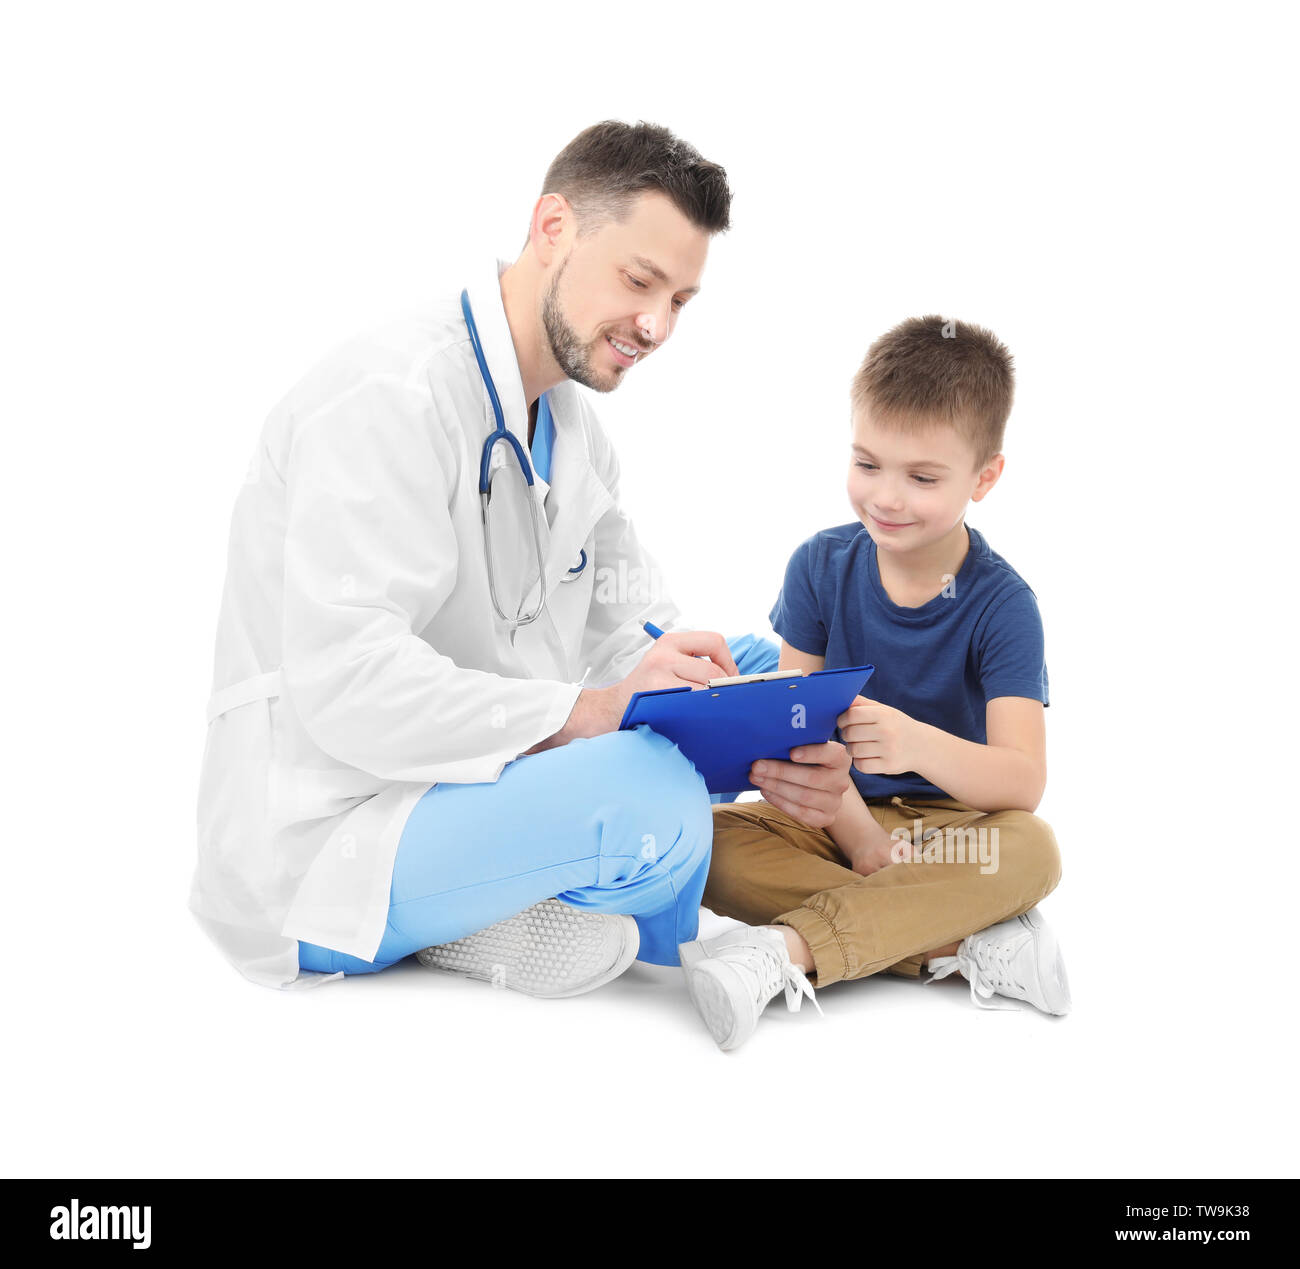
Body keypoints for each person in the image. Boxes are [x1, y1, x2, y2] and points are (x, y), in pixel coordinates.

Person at [191, 120, 850, 993]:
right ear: (553, 229)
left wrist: (700, 680)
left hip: (482, 777)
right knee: (654, 795)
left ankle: (498, 899)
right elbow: (349, 689)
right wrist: (585, 713)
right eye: (639, 280)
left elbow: (634, 632)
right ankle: (536, 913)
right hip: (336, 835)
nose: (654, 325)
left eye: (680, 301)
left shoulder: (573, 431)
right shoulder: (390, 397)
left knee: (767, 671)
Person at [678, 315, 1069, 1051]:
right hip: (834, 820)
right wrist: (858, 836)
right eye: (867, 464)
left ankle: (786, 952)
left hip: (954, 828)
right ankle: (962, 941)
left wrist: (912, 740)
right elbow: (795, 734)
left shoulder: (1004, 605)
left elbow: (1022, 781)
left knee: (1034, 849)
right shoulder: (819, 568)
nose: (885, 498)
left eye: (921, 477)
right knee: (694, 841)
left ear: (985, 478)